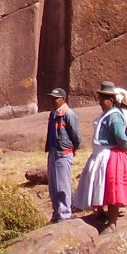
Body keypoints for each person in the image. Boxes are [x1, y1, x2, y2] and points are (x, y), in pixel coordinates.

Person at [72, 81, 127, 232]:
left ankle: (112, 223)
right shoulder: (106, 115)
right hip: (101, 155)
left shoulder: (114, 117)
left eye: (103, 98)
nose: (100, 101)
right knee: (98, 184)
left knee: (112, 188)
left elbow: (121, 137)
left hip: (111, 156)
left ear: (111, 100)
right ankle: (100, 213)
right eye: (100, 98)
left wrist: (126, 147)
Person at [44, 87, 81, 223]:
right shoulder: (53, 114)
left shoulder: (69, 114)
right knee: (53, 184)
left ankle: (65, 214)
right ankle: (57, 213)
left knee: (62, 184)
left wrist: (73, 149)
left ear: (63, 99)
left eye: (55, 98)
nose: (52, 101)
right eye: (51, 98)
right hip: (53, 151)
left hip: (63, 153)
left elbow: (76, 136)